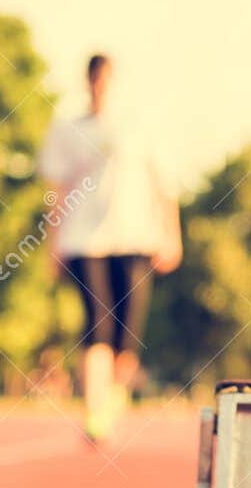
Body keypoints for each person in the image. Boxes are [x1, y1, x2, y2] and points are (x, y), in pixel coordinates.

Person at [38, 54, 181, 442]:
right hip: (84, 240)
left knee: (125, 337)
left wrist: (172, 233)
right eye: (95, 80)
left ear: (115, 83)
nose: (100, 87)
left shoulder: (140, 126)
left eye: (106, 80)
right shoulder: (67, 129)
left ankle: (113, 398)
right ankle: (94, 414)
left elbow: (164, 182)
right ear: (87, 82)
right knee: (96, 325)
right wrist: (53, 244)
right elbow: (58, 190)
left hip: (135, 238)